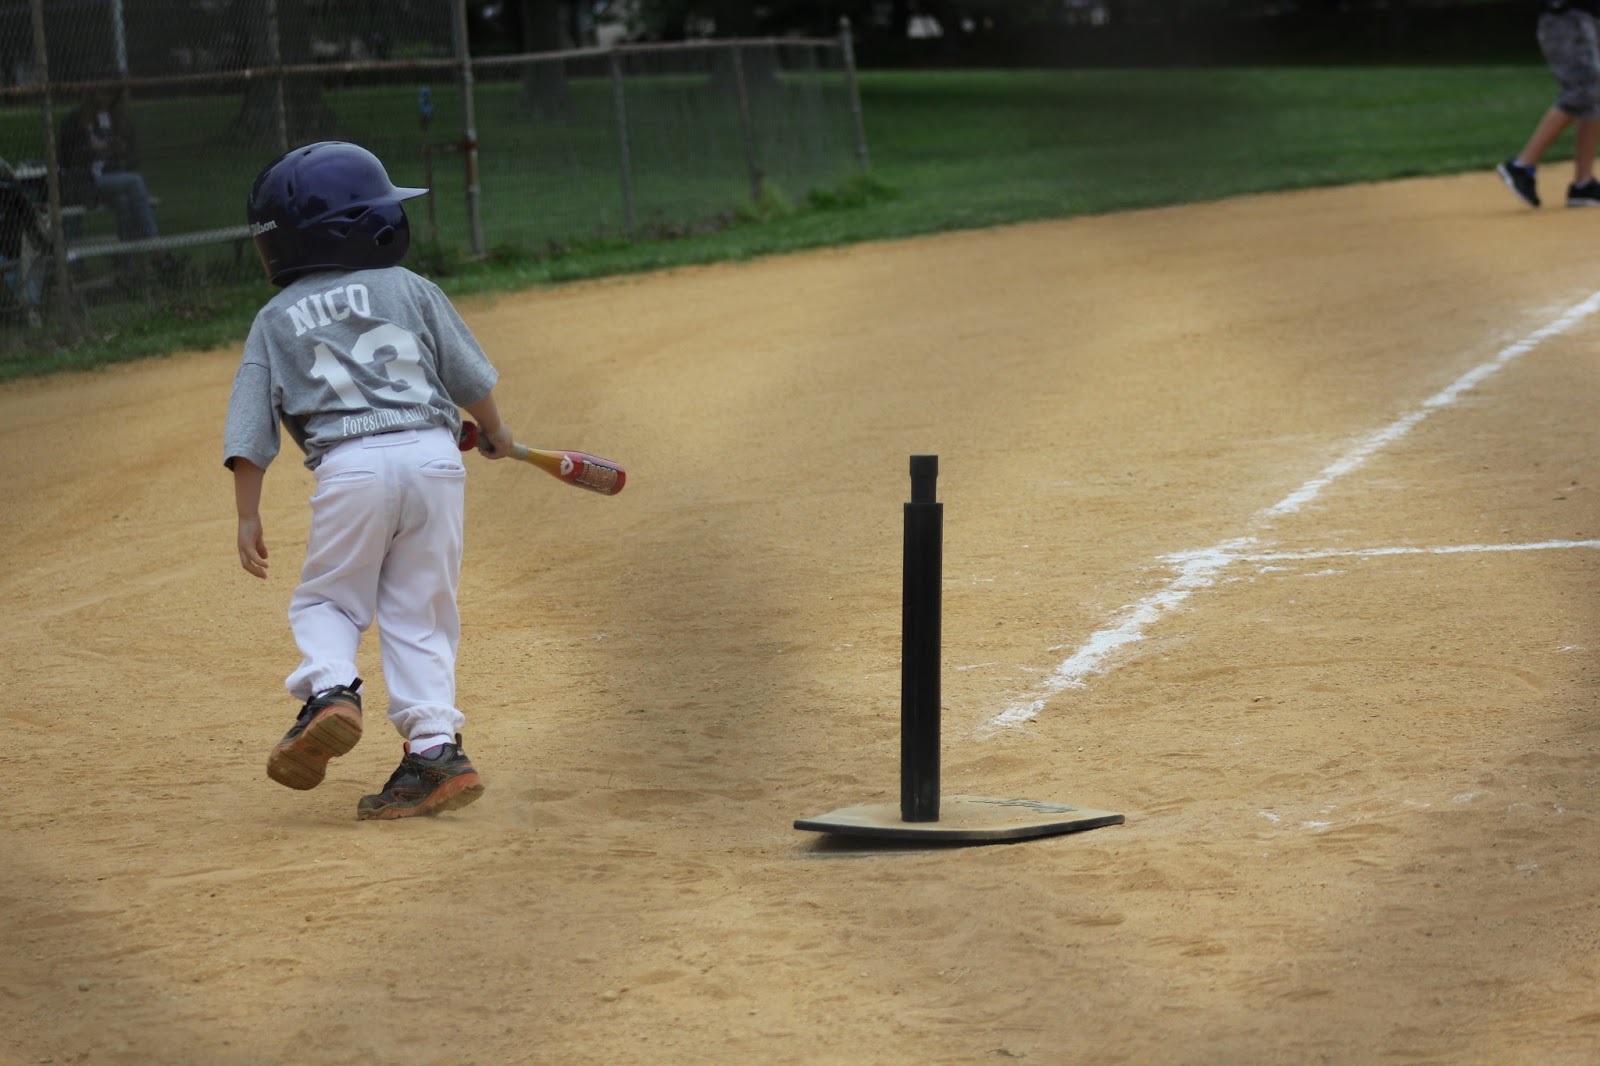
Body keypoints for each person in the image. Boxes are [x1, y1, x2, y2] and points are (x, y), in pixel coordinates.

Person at [223, 141, 516, 819]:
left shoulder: (274, 320)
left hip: (350, 468)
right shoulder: (410, 287)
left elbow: (249, 433)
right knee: (421, 610)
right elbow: (469, 379)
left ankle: (330, 692)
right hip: (436, 459)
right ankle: (435, 750)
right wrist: (495, 431)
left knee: (328, 602)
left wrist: (247, 515)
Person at [1498, 0, 1600, 208]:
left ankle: (1583, 184)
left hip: (1584, 15)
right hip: (1567, 16)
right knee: (1582, 91)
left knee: (1594, 96)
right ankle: (1522, 165)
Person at [57, 88, 158, 241]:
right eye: (102, 93)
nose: (106, 98)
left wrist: (117, 151)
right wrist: (91, 150)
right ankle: (155, 245)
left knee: (125, 202)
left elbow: (133, 157)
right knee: (135, 181)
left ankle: (124, 259)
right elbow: (65, 157)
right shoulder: (75, 119)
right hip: (86, 181)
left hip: (112, 178)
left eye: (111, 94)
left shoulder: (121, 120)